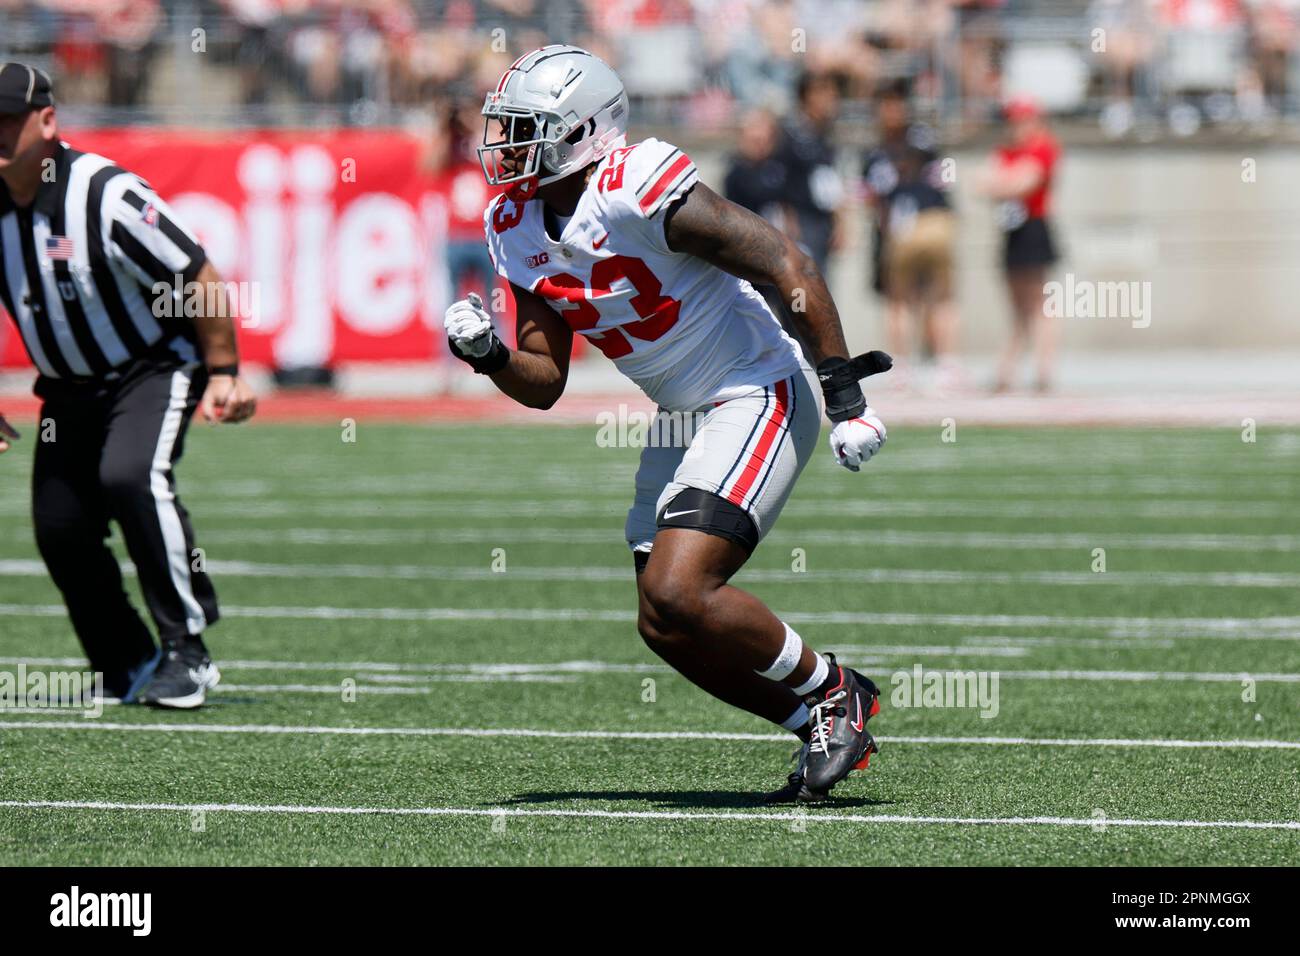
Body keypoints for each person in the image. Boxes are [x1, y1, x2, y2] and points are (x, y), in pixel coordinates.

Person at [446, 45, 889, 802]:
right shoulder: (514, 221)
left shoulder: (637, 187)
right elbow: (545, 381)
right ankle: (811, 717)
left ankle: (835, 691)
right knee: (664, 622)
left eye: (525, 129)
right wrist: (488, 355)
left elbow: (788, 262)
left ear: (582, 130)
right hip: (684, 412)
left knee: (682, 588)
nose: (507, 145)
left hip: (756, 387)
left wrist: (844, 393)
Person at [0, 62, 257, 708]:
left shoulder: (103, 194)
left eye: (7, 120)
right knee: (59, 527)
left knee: (130, 476)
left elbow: (196, 275)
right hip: (65, 389)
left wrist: (225, 372)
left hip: (151, 366)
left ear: (47, 120)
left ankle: (186, 651)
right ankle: (127, 660)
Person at [981, 96, 1061, 393]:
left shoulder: (1043, 146)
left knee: (1039, 303)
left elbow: (1023, 182)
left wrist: (1003, 182)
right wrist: (1004, 182)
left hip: (1033, 228)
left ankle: (1043, 368)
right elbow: (986, 182)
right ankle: (1009, 368)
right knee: (1017, 306)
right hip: (1011, 231)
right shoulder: (1007, 150)